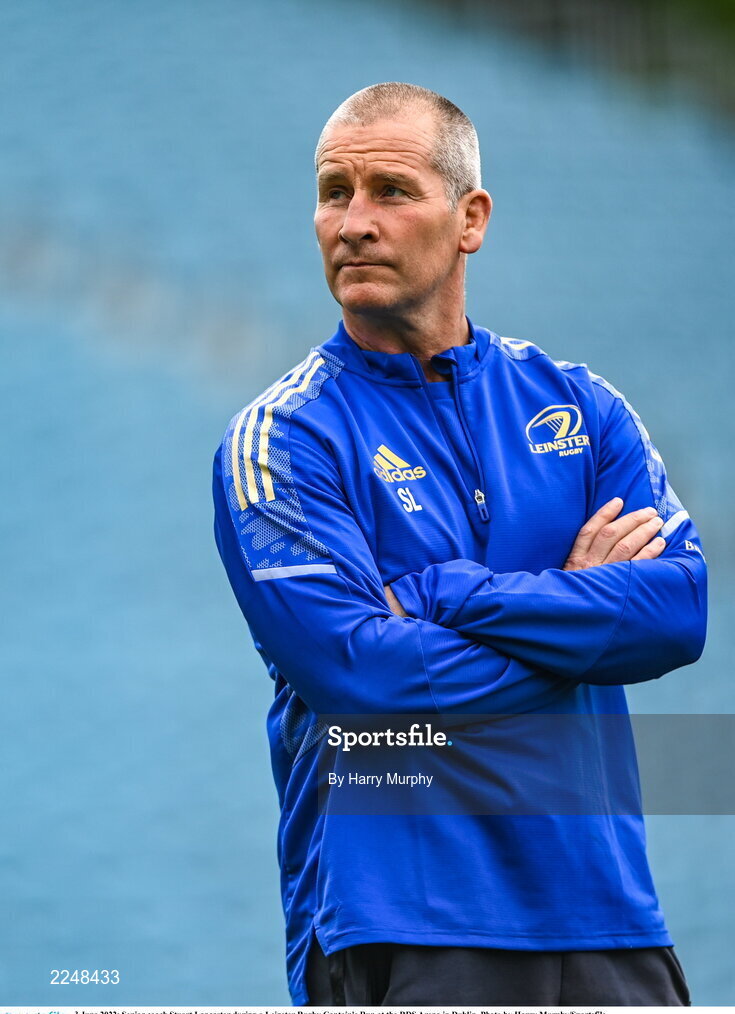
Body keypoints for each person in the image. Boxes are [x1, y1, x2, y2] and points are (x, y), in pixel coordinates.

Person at [212, 82, 706, 1006]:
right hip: (404, 924)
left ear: (469, 217)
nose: (353, 222)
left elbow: (676, 615)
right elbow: (366, 676)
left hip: (606, 917)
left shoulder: (580, 406)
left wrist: (446, 592)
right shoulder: (282, 439)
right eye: (333, 192)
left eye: (389, 192)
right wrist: (574, 616)